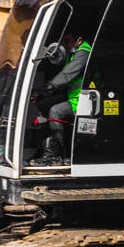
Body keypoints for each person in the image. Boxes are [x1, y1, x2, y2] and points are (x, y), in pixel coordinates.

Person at [31, 31, 91, 166]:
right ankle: (46, 149)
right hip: (73, 97)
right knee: (43, 104)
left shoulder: (84, 53)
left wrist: (42, 90)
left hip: (83, 101)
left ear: (79, 40)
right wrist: (40, 95)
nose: (64, 44)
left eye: (67, 41)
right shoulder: (74, 54)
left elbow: (65, 76)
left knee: (56, 111)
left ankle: (55, 156)